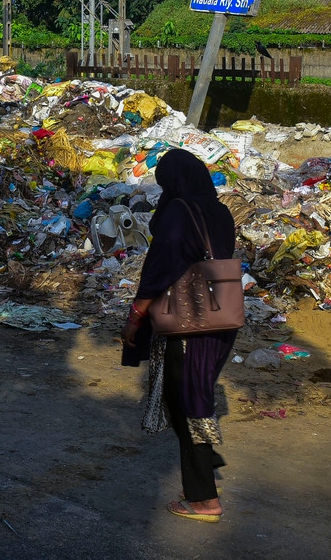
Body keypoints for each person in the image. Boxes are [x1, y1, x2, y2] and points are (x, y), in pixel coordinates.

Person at [122, 149, 239, 523]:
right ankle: (205, 464)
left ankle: (204, 498)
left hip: (189, 321)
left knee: (189, 402)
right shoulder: (218, 211)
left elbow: (161, 267)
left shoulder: (177, 212)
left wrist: (136, 315)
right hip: (220, 316)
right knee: (189, 396)